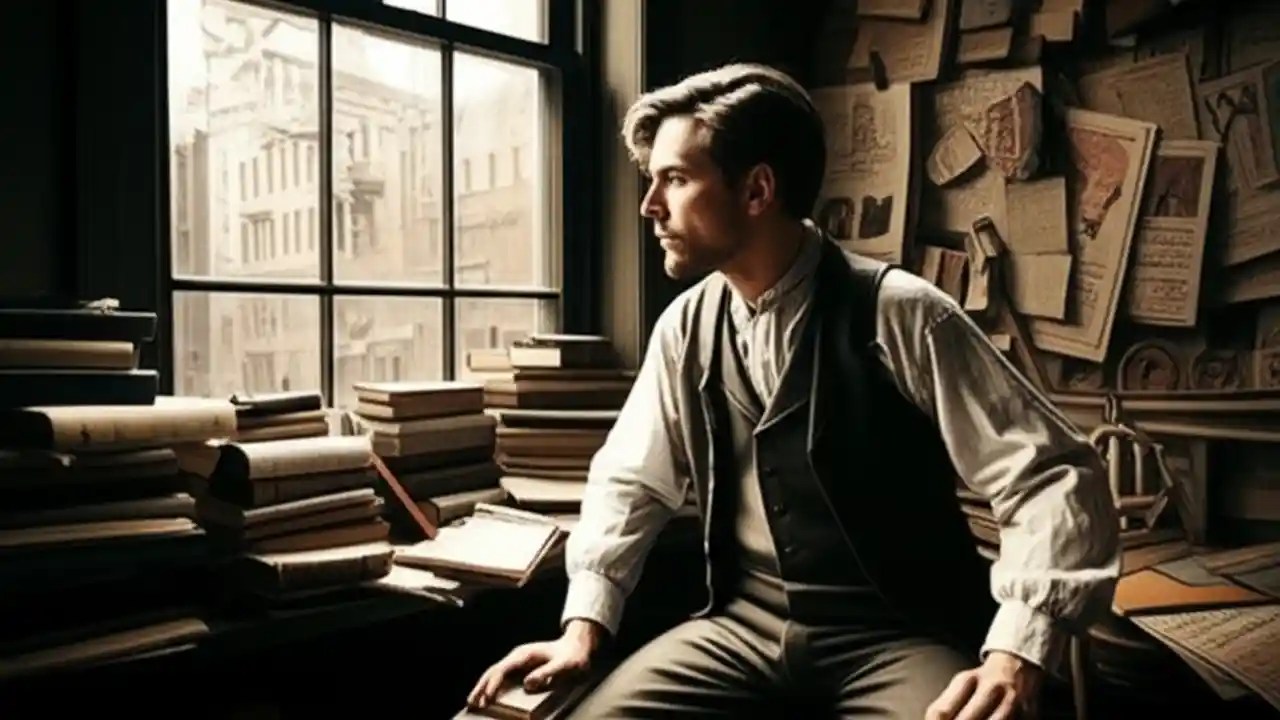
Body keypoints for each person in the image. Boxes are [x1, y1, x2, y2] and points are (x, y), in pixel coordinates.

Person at [467, 63, 1121, 719]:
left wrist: (1017, 653)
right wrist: (583, 627)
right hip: (737, 631)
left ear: (757, 190)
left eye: (674, 178)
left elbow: (1054, 476)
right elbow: (632, 482)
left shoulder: (904, 312)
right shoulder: (685, 327)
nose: (650, 205)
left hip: (896, 635)